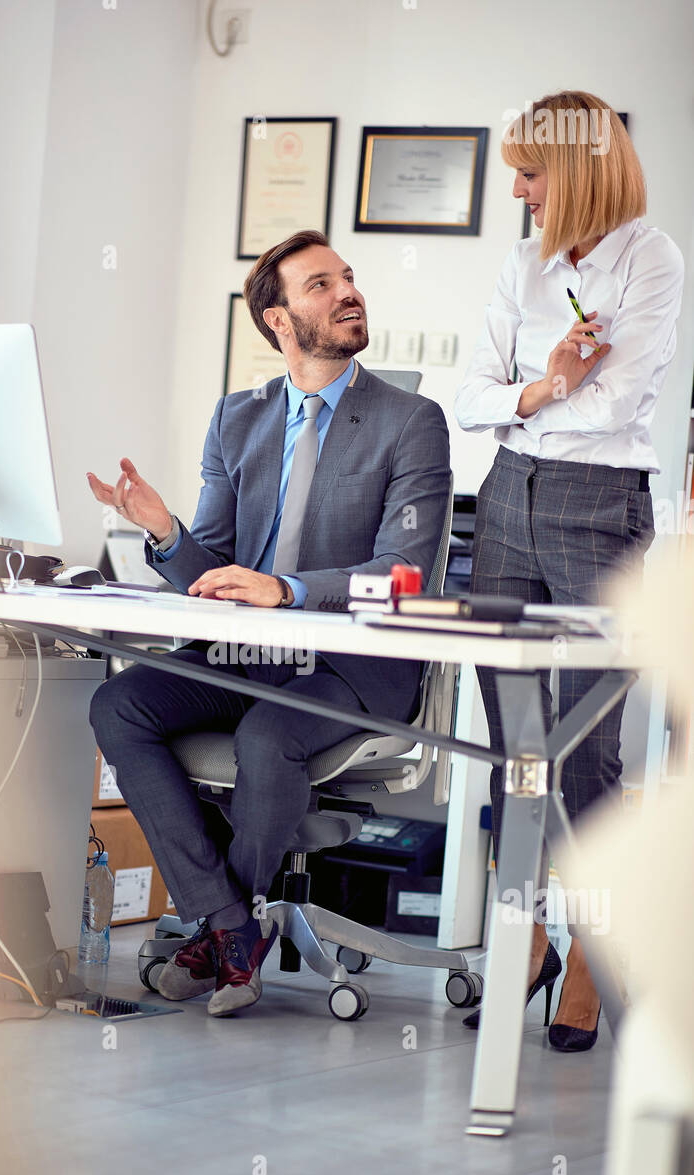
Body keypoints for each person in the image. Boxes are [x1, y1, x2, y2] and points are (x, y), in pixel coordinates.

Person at [88, 229, 451, 1016]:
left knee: (265, 738)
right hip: (247, 655)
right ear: (280, 321)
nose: (348, 292)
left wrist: (285, 590)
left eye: (348, 278)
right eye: (321, 284)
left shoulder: (410, 420)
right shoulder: (238, 418)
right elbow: (211, 577)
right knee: (118, 703)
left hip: (354, 669)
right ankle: (230, 926)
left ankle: (218, 931)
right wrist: (164, 533)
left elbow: (404, 574)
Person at [454, 91, 684, 1051]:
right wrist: (546, 386)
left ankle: (589, 949)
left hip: (599, 509)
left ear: (581, 171)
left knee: (586, 751)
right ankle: (529, 942)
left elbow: (621, 402)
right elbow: (470, 399)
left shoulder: (653, 260)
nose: (518, 190)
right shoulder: (521, 262)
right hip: (507, 500)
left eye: (532, 172)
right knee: (514, 744)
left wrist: (531, 401)